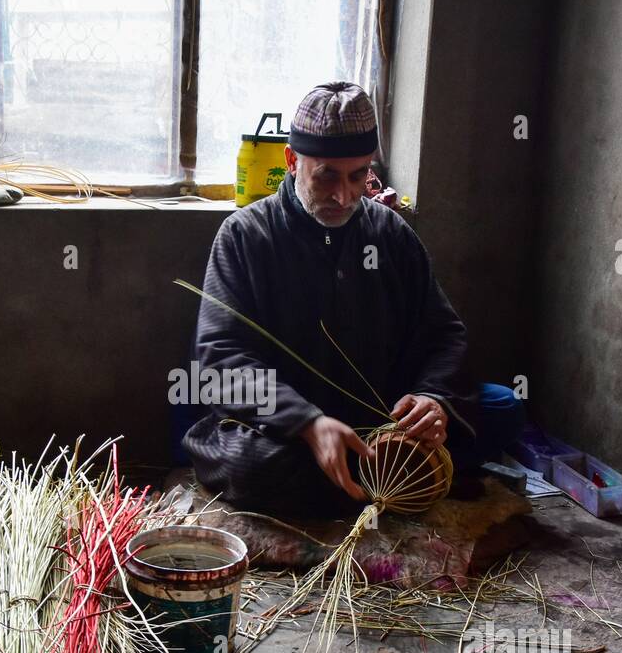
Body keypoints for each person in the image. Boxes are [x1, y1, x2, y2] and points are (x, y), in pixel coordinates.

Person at [183, 81, 523, 518]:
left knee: (503, 410)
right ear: (292, 160)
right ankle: (381, 473)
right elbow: (221, 358)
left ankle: (365, 469)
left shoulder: (389, 233)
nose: (344, 196)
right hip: (289, 429)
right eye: (327, 175)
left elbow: (442, 333)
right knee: (252, 464)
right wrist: (306, 422)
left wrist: (432, 398)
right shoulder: (246, 235)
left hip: (383, 419)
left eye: (358, 175)